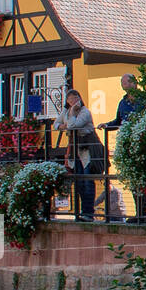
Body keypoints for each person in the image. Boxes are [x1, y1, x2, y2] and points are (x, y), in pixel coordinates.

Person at [105, 72, 146, 223]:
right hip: (129, 145)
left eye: (125, 82)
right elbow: (119, 120)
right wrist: (107, 126)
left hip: (145, 144)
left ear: (134, 83)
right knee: (135, 180)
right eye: (122, 83)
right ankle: (140, 212)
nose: (123, 85)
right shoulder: (123, 102)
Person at [55, 88, 103, 220]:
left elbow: (73, 125)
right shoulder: (66, 111)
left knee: (87, 181)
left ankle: (88, 213)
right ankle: (83, 211)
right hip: (75, 150)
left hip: (87, 149)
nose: (73, 101)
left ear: (79, 99)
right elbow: (56, 124)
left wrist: (71, 114)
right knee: (79, 182)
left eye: (75, 98)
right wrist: (63, 124)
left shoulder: (85, 112)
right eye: (70, 99)